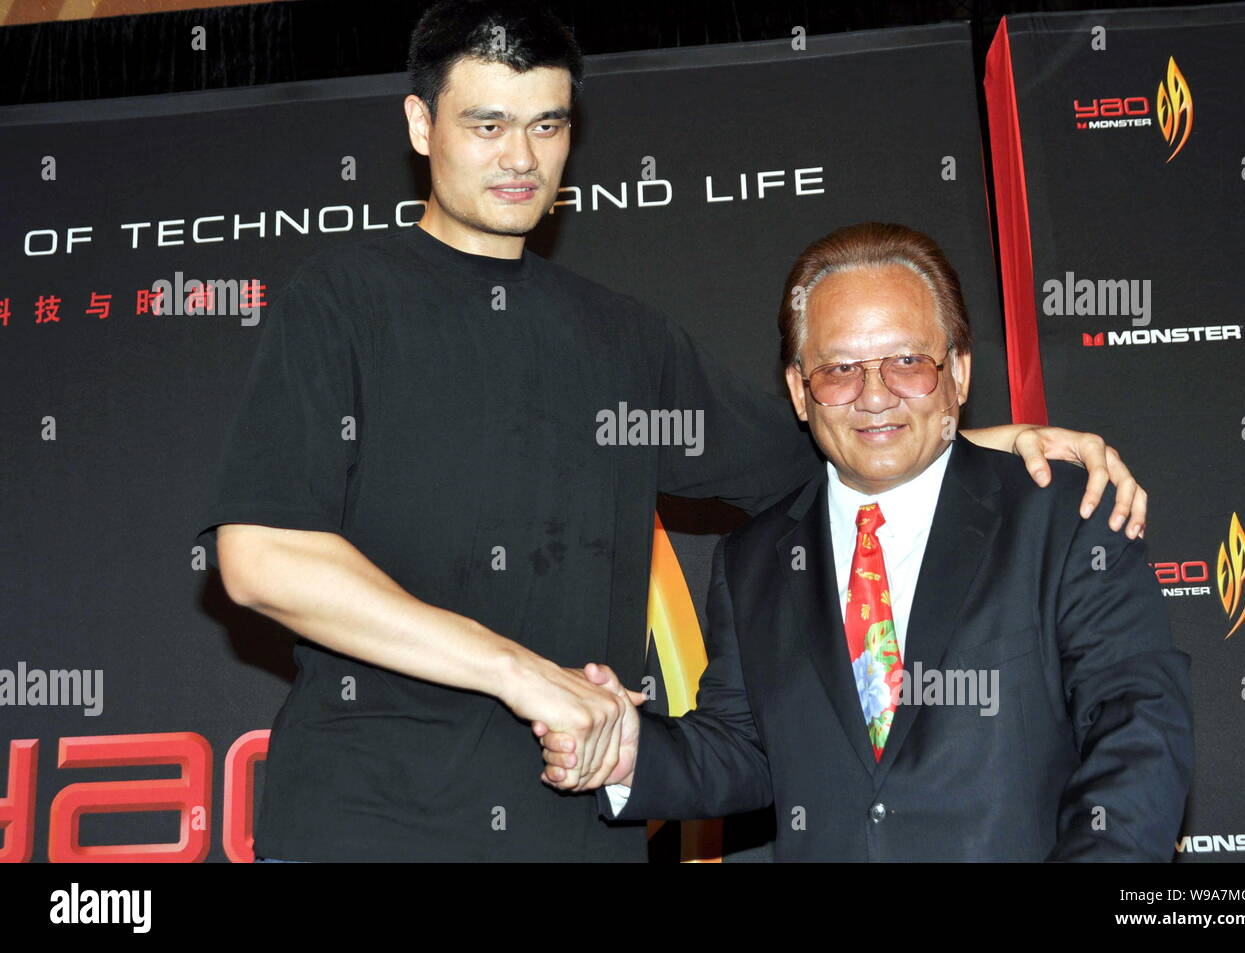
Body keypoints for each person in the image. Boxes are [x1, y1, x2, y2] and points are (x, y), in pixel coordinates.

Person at [197, 2, 1147, 862]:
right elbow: (263, 557)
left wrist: (976, 432)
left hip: (575, 829)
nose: (520, 157)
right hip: (366, 828)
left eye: (547, 123)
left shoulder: (622, 338)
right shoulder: (340, 304)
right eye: (486, 124)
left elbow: (819, 447)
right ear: (420, 126)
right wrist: (524, 675)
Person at [539, 222, 1193, 862]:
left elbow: (1137, 730)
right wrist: (628, 750)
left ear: (959, 373)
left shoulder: (1063, 517)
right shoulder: (755, 560)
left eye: (909, 362)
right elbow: (748, 749)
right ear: (800, 391)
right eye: (840, 369)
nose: (874, 396)